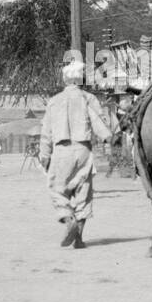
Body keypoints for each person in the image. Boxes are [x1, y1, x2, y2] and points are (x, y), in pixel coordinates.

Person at [39, 60, 112, 249]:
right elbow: (99, 123)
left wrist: (44, 156)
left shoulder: (54, 101)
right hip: (83, 150)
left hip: (61, 150)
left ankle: (67, 216)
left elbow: (46, 132)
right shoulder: (88, 98)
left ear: (65, 79)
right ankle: (79, 238)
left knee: (56, 189)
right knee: (83, 192)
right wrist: (108, 138)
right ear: (81, 79)